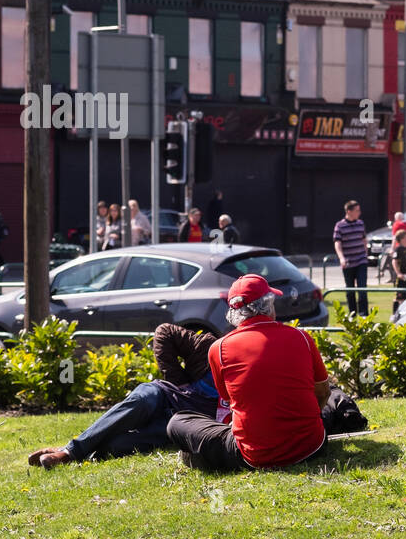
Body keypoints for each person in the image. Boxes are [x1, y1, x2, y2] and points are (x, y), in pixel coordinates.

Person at [167, 274, 330, 471]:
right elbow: (323, 392)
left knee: (177, 422)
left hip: (255, 455)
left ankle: (197, 457)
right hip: (312, 446)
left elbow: (229, 400)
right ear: (269, 304)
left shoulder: (219, 349)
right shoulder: (301, 337)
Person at [28, 323, 220, 469]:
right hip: (165, 394)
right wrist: (181, 383)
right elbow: (164, 332)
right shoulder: (212, 347)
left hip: (189, 420)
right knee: (142, 401)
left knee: (118, 445)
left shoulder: (247, 375)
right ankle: (69, 452)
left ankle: (63, 451)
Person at [333, 199, 369, 315]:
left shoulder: (360, 223)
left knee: (362, 288)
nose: (359, 212)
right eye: (357, 210)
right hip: (348, 262)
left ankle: (364, 315)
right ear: (349, 211)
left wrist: (366, 253)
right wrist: (341, 258)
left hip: (361, 260)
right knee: (350, 290)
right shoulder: (340, 226)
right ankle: (352, 314)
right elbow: (337, 243)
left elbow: (363, 239)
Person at [390, 228, 406, 316]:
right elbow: (394, 261)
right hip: (399, 277)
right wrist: (398, 273)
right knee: (398, 296)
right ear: (402, 239)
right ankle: (394, 315)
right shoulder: (398, 249)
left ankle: (402, 314)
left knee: (405, 296)